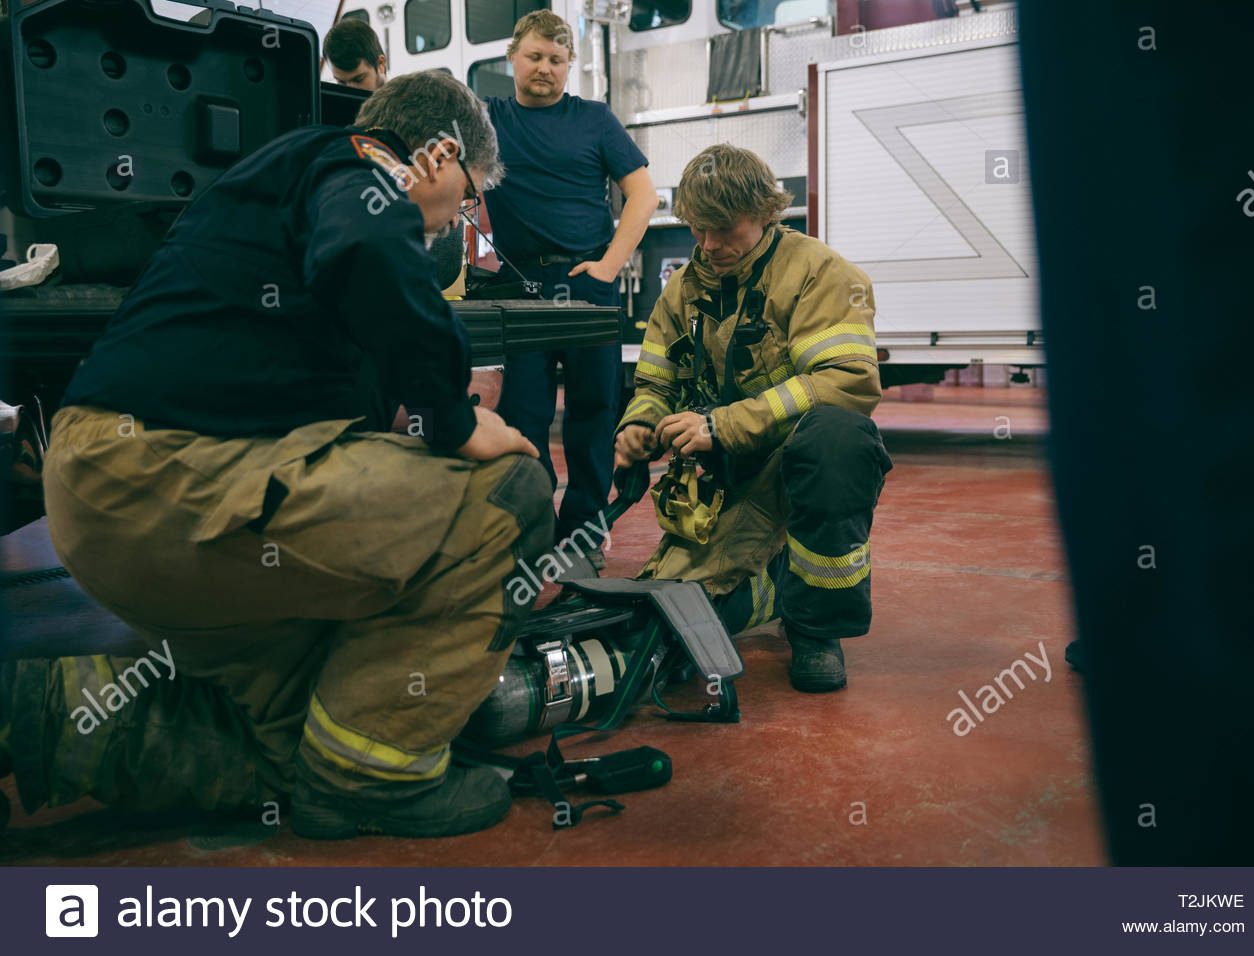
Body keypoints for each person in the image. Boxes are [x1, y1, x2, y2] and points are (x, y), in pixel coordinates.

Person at [0, 72, 553, 839]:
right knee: (512, 493)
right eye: (466, 195)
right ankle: (374, 783)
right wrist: (452, 422)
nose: (461, 215)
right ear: (441, 155)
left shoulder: (287, 183)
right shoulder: (357, 168)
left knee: (292, 745)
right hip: (173, 476)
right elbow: (367, 240)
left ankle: (36, 717)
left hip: (120, 492)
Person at [614, 144, 893, 693]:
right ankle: (785, 584)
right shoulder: (682, 290)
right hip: (721, 482)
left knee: (840, 438)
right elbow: (653, 382)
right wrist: (638, 427)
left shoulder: (821, 272)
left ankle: (816, 628)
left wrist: (720, 426)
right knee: (671, 614)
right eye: (698, 229)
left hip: (796, 466)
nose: (710, 245)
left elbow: (847, 382)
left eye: (724, 229)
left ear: (768, 213)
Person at [484, 9, 659, 568]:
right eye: (535, 56)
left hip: (587, 283)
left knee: (594, 410)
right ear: (511, 57)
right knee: (524, 413)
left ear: (569, 66)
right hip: (518, 286)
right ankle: (532, 524)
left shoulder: (595, 119)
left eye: (557, 60)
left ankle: (583, 531)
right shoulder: (487, 120)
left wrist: (609, 265)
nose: (545, 68)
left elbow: (644, 195)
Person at [324, 17, 387, 90]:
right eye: (341, 82)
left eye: (358, 79)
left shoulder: (402, 99)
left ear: (380, 64)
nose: (349, 91)